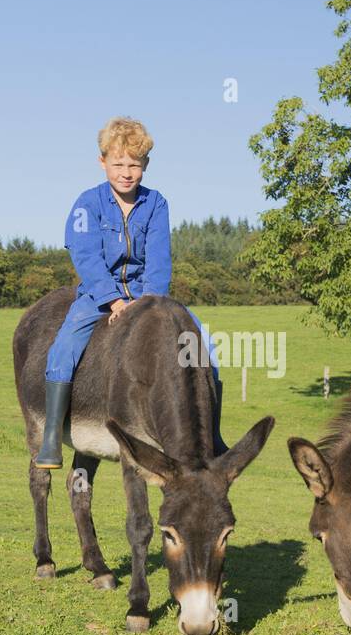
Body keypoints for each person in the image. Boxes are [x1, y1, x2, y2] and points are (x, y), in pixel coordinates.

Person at [35, 116, 228, 468]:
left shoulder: (157, 204)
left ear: (146, 165)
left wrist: (147, 303)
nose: (126, 172)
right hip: (97, 295)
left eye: (134, 165)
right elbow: (85, 255)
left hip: (148, 295)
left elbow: (159, 258)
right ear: (103, 162)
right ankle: (50, 436)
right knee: (64, 347)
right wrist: (114, 300)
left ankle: (212, 433)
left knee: (204, 343)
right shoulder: (86, 204)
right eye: (118, 163)